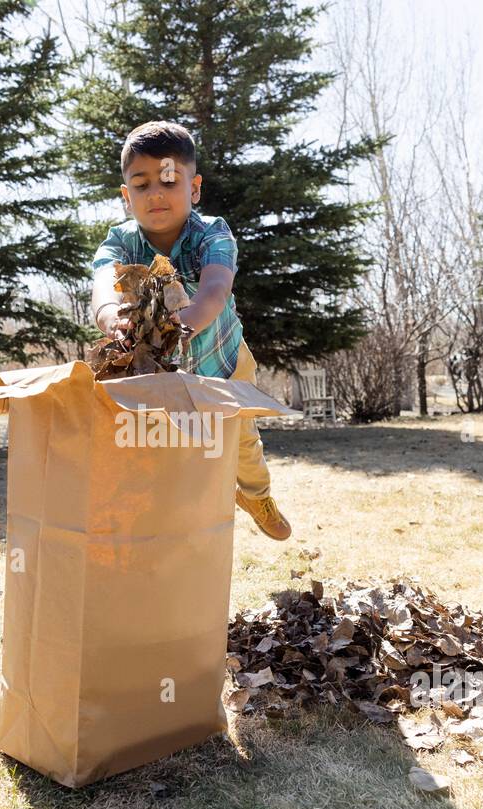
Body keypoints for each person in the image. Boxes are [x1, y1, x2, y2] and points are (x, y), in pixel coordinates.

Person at [88, 121, 292, 540]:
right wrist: (111, 317)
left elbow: (216, 291)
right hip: (160, 376)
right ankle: (160, 524)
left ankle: (257, 495)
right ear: (127, 197)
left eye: (168, 180)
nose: (155, 193)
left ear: (194, 189)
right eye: (141, 185)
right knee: (161, 448)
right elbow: (103, 284)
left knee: (242, 444)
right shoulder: (120, 242)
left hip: (224, 364)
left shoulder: (211, 234)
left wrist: (179, 326)